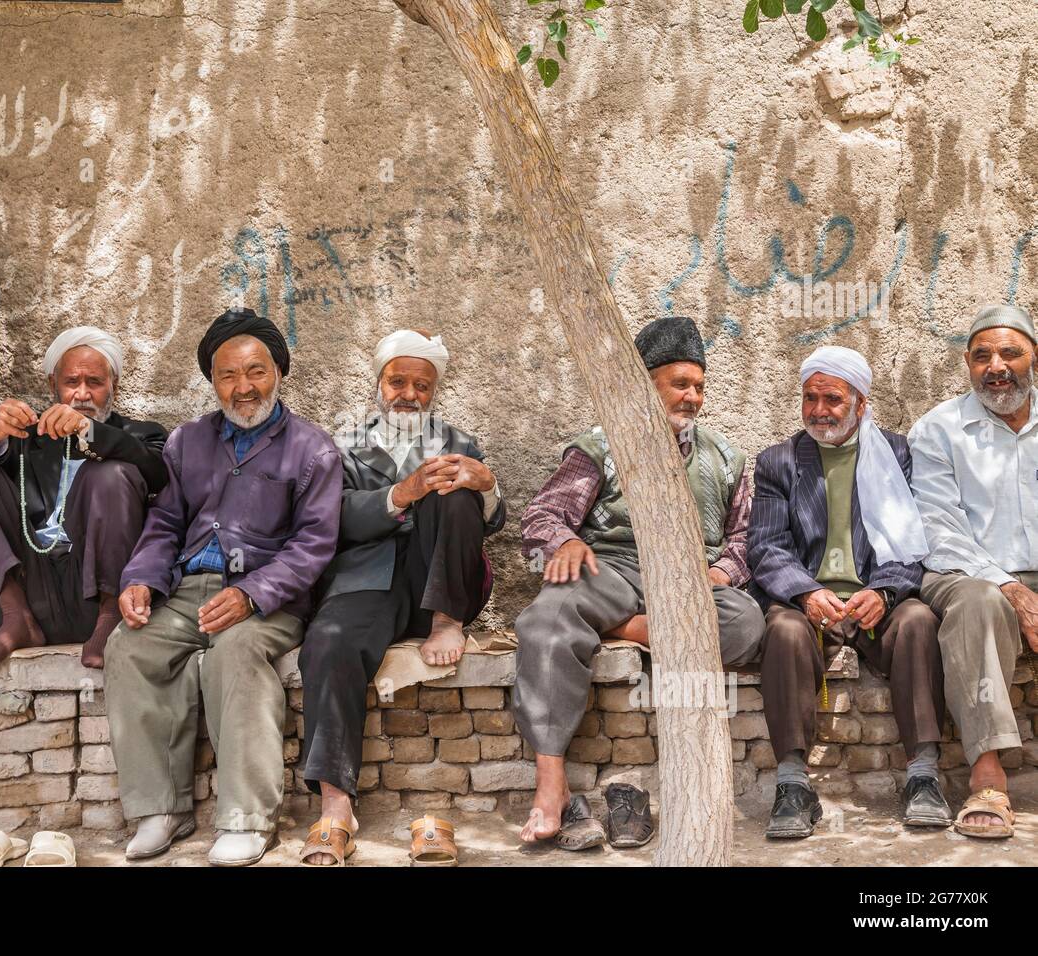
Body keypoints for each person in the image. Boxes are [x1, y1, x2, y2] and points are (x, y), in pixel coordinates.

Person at [513, 316, 764, 845]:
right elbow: (540, 517)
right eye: (680, 384)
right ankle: (550, 780)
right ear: (645, 383)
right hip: (614, 569)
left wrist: (719, 573)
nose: (693, 397)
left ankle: (628, 627)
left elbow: (744, 539)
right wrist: (567, 543)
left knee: (745, 621)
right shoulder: (599, 448)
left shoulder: (725, 457)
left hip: (692, 580)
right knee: (546, 620)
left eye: (699, 386)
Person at [104, 308, 342, 865]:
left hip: (268, 598)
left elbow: (313, 547)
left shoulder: (313, 449)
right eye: (228, 376)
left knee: (235, 653)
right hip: (188, 591)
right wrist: (140, 579)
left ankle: (245, 819)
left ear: (279, 372)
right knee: (130, 645)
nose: (243, 387)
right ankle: (161, 808)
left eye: (255, 371)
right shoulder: (186, 442)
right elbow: (164, 524)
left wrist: (251, 594)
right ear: (213, 382)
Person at [296, 329, 505, 865]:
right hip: (366, 578)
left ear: (435, 391)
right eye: (397, 381)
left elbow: (494, 523)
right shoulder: (341, 447)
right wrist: (399, 493)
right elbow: (330, 519)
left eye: (421, 384)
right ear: (379, 383)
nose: (408, 393)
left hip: (441, 582)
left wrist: (486, 487)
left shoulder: (458, 441)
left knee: (457, 491)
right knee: (329, 644)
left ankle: (445, 621)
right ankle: (336, 805)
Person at [750, 346, 947, 839]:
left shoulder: (897, 454)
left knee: (920, 620)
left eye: (833, 399)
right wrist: (805, 593)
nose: (819, 410)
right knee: (783, 630)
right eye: (810, 398)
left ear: (860, 403)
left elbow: (915, 541)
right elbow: (767, 546)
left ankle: (923, 775)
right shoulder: (779, 462)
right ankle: (793, 785)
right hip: (809, 602)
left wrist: (883, 593)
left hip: (877, 602)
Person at [0, 326, 168, 670]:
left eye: (94, 382)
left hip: (98, 596)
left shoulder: (141, 434)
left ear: (114, 386)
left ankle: (109, 620)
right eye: (71, 382)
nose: (81, 394)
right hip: (34, 591)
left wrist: (88, 432)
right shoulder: (24, 438)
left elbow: (157, 471)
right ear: (52, 386)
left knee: (108, 473)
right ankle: (16, 618)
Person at [908, 304, 1038, 839]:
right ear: (967, 363)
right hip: (963, 570)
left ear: (1034, 356)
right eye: (982, 355)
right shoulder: (940, 430)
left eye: (1010, 352)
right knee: (982, 601)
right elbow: (940, 531)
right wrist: (1012, 588)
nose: (997, 366)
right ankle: (988, 774)